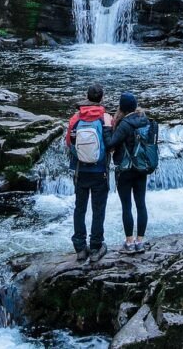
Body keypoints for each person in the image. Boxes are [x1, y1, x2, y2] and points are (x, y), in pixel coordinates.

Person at [64, 82, 113, 262]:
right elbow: (110, 143)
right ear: (102, 98)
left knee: (80, 208)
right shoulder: (105, 118)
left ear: (87, 97)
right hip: (100, 171)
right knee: (98, 209)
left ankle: (79, 248)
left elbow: (69, 143)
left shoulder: (75, 118)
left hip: (80, 171)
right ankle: (96, 246)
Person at [105, 91, 158, 253]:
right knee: (141, 204)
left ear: (122, 107)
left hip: (125, 170)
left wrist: (107, 128)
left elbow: (110, 144)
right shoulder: (145, 120)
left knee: (127, 206)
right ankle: (140, 241)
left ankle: (129, 243)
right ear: (135, 106)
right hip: (142, 168)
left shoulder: (125, 124)